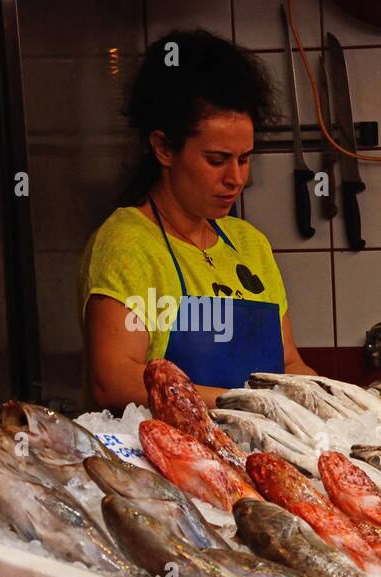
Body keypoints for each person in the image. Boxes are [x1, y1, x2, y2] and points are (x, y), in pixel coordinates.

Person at [80, 30, 315, 411]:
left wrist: (335, 405)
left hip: (258, 451)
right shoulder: (127, 243)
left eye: (245, 158)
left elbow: (288, 364)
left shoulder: (249, 243)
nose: (236, 178)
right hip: (166, 459)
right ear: (163, 148)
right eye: (217, 160)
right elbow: (114, 381)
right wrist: (246, 406)